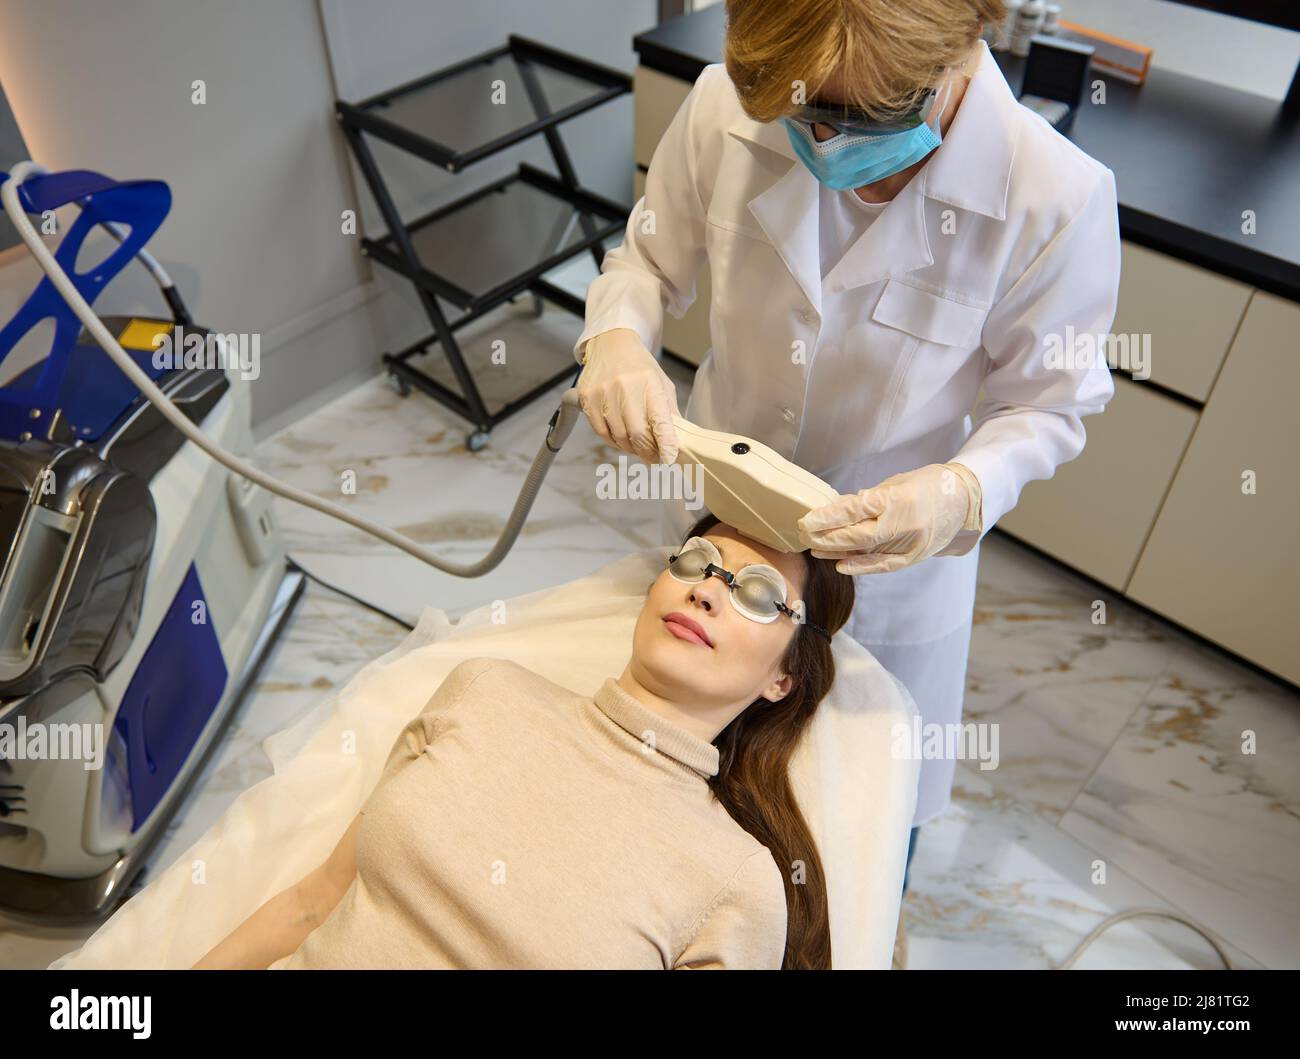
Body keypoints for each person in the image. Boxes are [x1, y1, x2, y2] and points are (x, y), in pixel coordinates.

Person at [572, 0, 1121, 950]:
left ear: (956, 61)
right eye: (803, 116)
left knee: (855, 815)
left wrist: (957, 491)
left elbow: (1049, 404)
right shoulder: (722, 106)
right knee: (688, 773)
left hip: (893, 577)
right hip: (724, 524)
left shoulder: (1052, 194)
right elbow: (648, 262)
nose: (823, 142)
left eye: (856, 120)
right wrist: (618, 335)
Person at [192, 515, 856, 970]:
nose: (710, 587)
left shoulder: (737, 882)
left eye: (761, 594)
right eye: (697, 561)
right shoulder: (484, 692)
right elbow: (314, 900)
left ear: (783, 677)